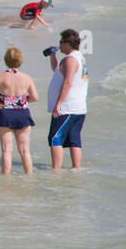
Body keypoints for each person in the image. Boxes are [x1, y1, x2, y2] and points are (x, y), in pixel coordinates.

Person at [0, 48, 37, 175]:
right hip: (23, 114)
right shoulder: (26, 78)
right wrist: (21, 100)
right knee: (24, 151)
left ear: (6, 60)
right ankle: (29, 177)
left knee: (6, 151)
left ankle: (6, 180)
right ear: (20, 61)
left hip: (5, 113)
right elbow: (35, 97)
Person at [46, 30, 88, 170]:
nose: (60, 45)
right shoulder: (79, 58)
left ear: (68, 43)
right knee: (73, 140)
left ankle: (56, 170)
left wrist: (58, 104)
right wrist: (53, 55)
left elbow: (67, 82)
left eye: (61, 42)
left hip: (67, 107)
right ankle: (76, 169)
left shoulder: (70, 59)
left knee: (54, 138)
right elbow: (58, 71)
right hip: (78, 107)